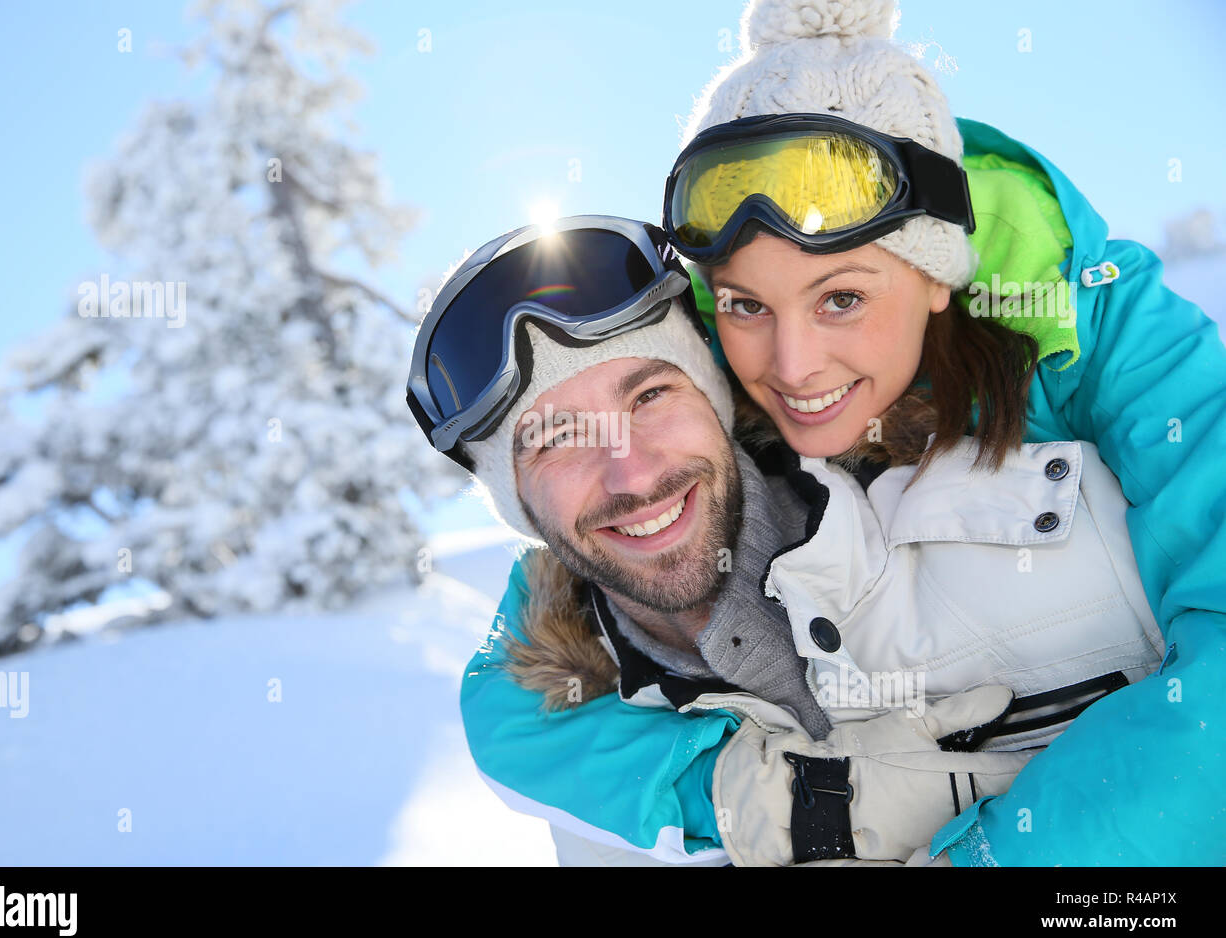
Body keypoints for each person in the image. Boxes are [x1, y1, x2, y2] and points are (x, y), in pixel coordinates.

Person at [450, 0, 1226, 866]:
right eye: (746, 304)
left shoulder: (1101, 338)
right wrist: (752, 796)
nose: (793, 365)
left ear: (939, 275)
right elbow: (517, 678)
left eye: (843, 299)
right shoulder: (703, 377)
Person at [407, 216, 1164, 866]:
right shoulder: (596, 796)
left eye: (651, 395)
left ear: (715, 396)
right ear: (518, 508)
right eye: (557, 439)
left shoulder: (1046, 501)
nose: (630, 471)